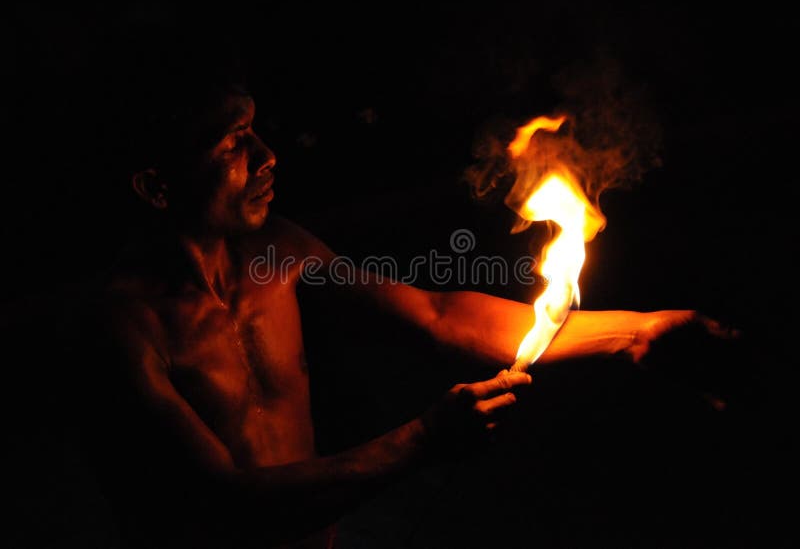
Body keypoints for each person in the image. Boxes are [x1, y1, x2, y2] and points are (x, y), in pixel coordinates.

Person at [75, 46, 734, 549]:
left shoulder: (275, 249)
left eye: (256, 130)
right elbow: (222, 503)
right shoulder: (122, 329)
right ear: (158, 188)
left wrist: (636, 331)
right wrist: (420, 441)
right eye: (232, 145)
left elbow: (437, 314)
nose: (267, 154)